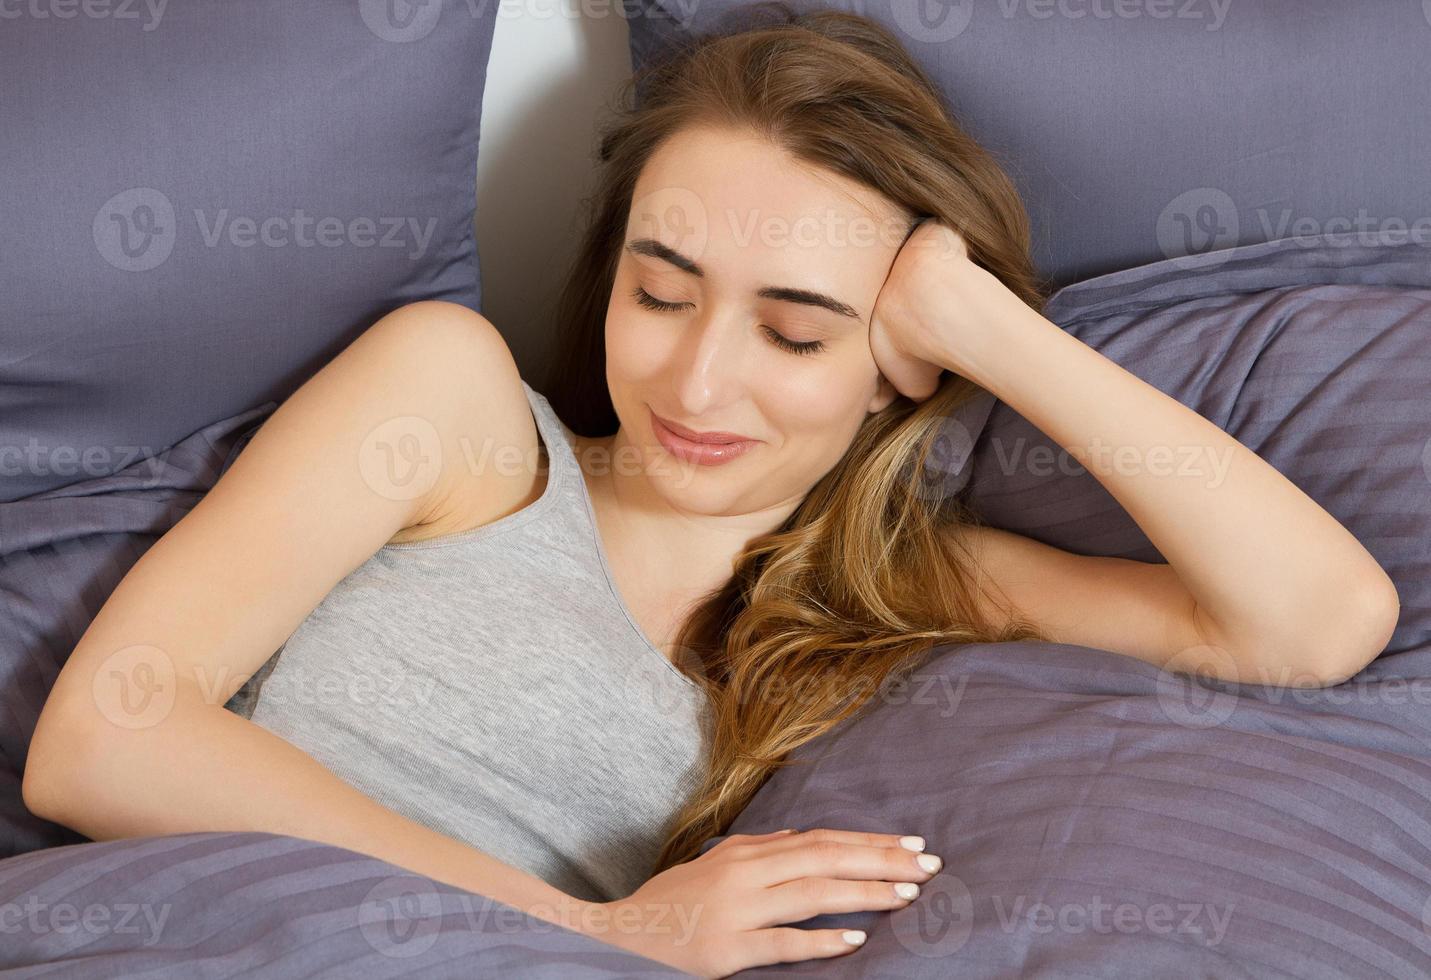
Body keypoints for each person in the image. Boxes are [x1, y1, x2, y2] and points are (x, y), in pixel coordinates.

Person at [24, 6, 1398, 978]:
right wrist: (601, 936)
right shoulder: (454, 412)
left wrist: (988, 330)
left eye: (796, 332)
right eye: (659, 291)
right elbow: (103, 740)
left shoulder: (913, 587)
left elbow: (1317, 622)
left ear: (893, 370)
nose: (694, 380)